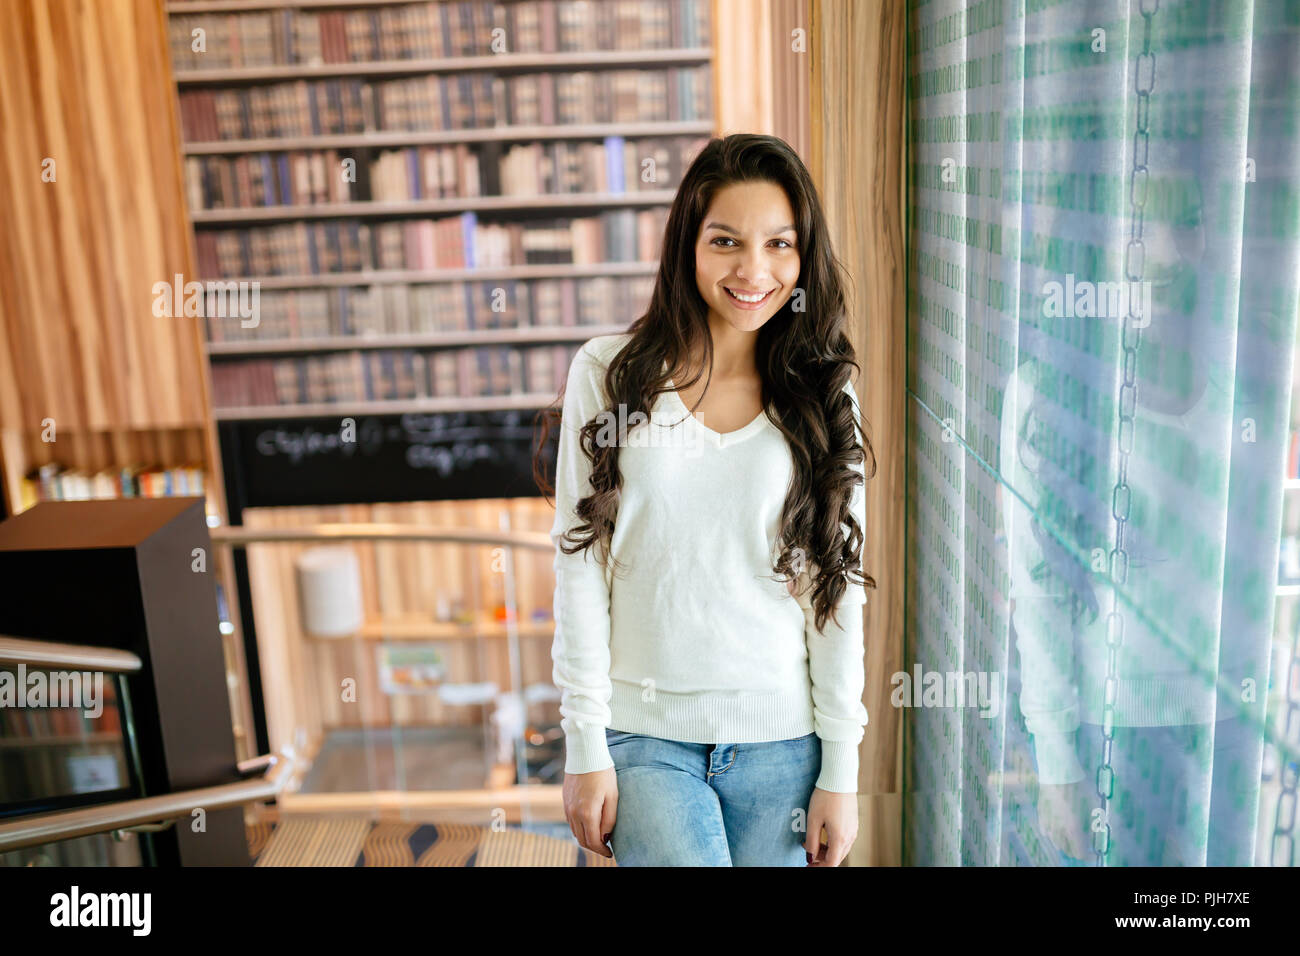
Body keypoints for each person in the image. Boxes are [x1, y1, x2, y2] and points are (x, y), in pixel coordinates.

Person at [533, 134, 873, 866]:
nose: (754, 270)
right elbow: (579, 564)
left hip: (785, 748)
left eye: (779, 244)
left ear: (802, 257)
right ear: (688, 245)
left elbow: (835, 585)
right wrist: (585, 741)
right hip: (644, 736)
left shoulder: (821, 392)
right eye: (726, 241)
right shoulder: (609, 375)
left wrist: (840, 770)